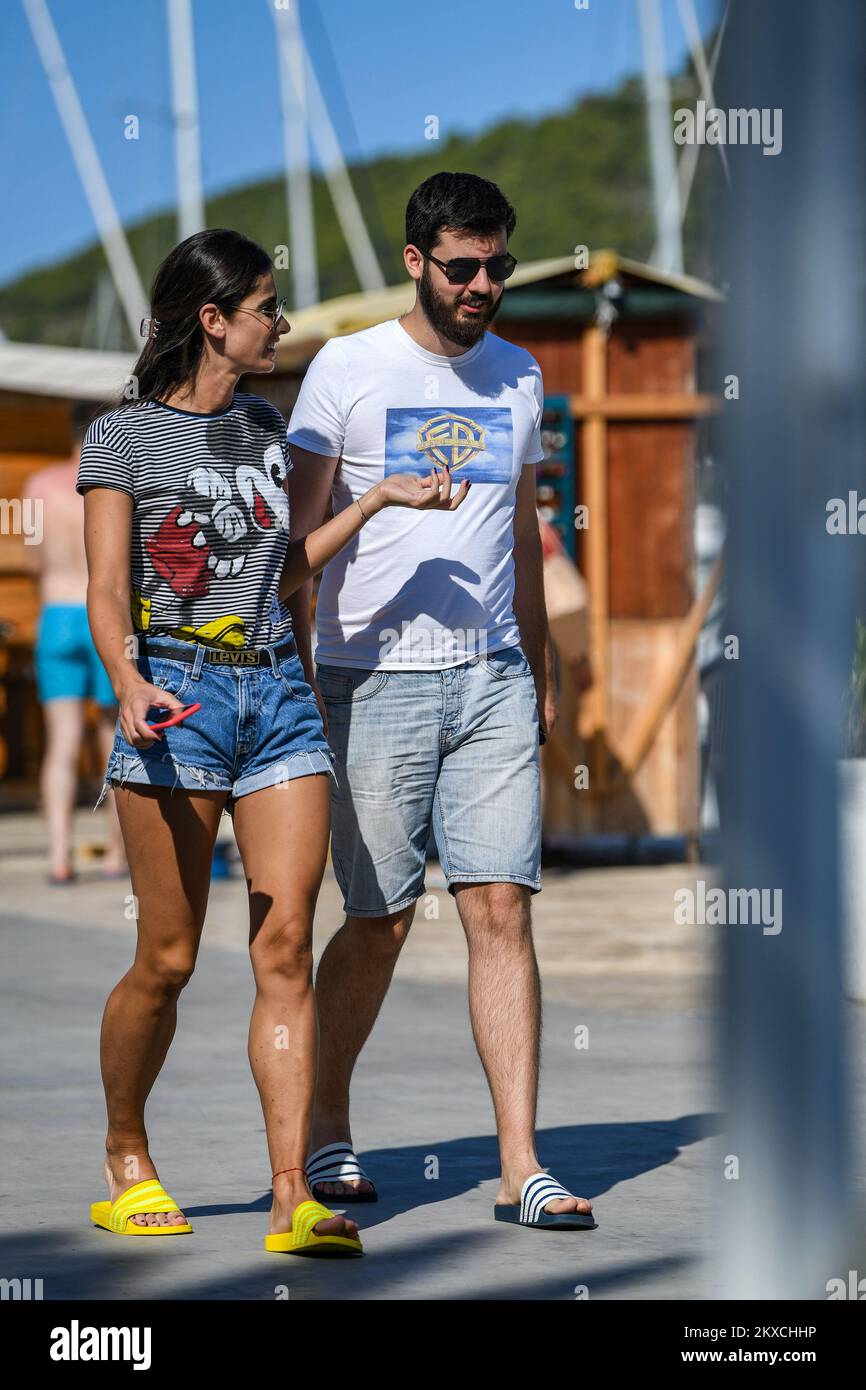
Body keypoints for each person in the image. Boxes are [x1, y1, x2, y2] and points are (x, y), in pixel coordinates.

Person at [79, 228, 466, 1254]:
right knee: (165, 958)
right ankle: (126, 1152)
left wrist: (378, 499)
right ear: (213, 319)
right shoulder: (121, 439)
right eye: (265, 308)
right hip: (174, 698)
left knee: (286, 943)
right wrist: (126, 680)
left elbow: (286, 569)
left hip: (276, 699)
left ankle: (290, 1189)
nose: (279, 325)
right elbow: (105, 585)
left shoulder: (263, 426)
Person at [286, 172, 596, 1231]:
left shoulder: (519, 374)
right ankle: (324, 1128)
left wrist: (541, 668)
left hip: (493, 677)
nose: (481, 284)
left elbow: (519, 533)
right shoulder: (345, 367)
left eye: (496, 265)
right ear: (415, 261)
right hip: (368, 678)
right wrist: (289, 673)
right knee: (376, 918)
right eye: (461, 266)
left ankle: (520, 1163)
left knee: (499, 906)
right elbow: (295, 546)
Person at [23, 404, 125, 883]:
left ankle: (60, 856)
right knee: (114, 737)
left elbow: (34, 562)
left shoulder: (39, 486)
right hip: (104, 616)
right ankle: (114, 857)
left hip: (57, 614)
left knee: (61, 742)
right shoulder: (112, 480)